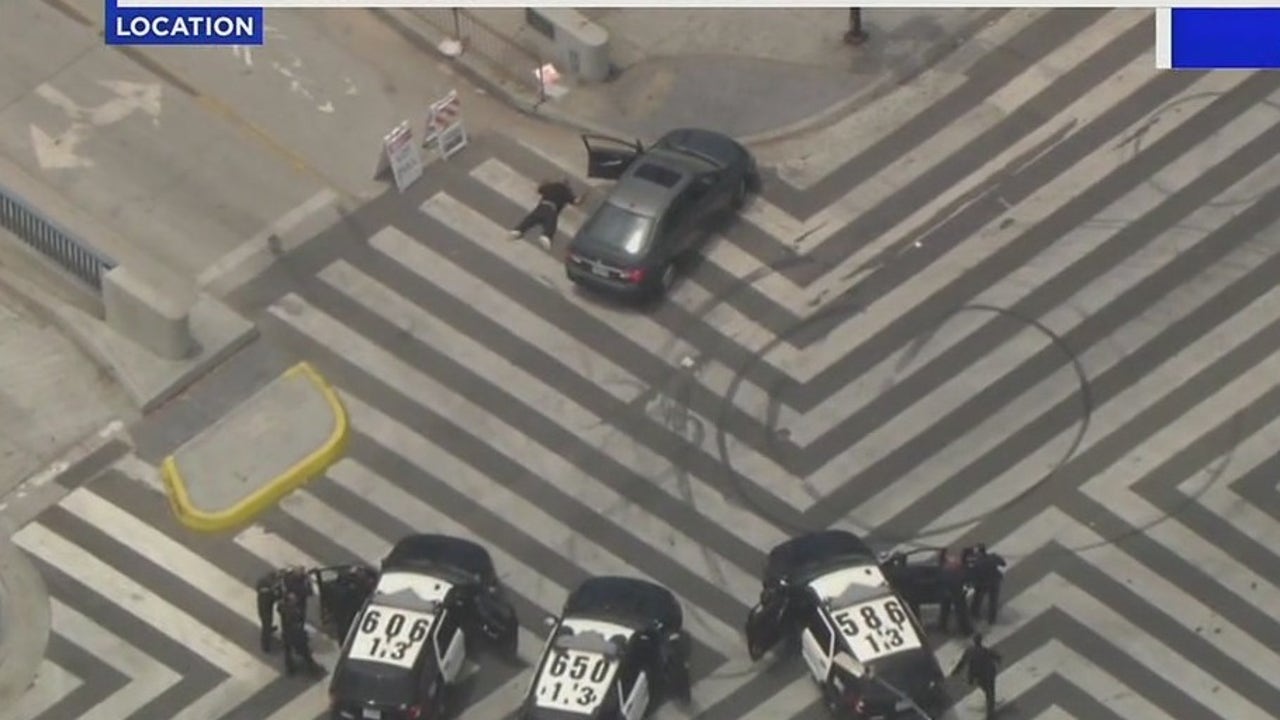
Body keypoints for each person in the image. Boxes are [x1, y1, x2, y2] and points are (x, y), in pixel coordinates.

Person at [509, 176, 582, 250]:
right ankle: (546, 236)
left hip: (542, 206)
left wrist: (544, 183)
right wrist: (583, 197)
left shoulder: (550, 186)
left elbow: (539, 189)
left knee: (530, 220)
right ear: (567, 186)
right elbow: (576, 201)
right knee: (551, 225)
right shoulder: (566, 192)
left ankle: (518, 231)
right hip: (551, 209)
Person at [951, 633, 1002, 718]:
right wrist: (998, 661)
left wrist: (955, 672)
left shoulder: (969, 651)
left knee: (987, 691)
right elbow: (997, 656)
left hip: (978, 676)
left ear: (973, 641)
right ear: (980, 641)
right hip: (989, 674)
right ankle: (990, 712)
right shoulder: (985, 650)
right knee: (990, 693)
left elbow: (962, 663)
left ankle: (990, 709)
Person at [280, 591, 325, 677]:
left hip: (287, 633)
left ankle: (290, 668)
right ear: (289, 601)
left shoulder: (283, 607)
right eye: (293, 599)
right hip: (296, 635)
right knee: (305, 653)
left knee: (288, 651)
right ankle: (314, 670)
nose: (296, 599)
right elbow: (297, 623)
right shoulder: (292, 611)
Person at [936, 549, 973, 635]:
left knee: (945, 610)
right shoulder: (960, 568)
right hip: (956, 591)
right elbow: (966, 581)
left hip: (946, 591)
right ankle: (965, 629)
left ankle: (942, 626)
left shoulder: (944, 566)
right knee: (961, 611)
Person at [969, 544, 1008, 624]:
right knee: (993, 601)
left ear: (979, 553)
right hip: (995, 581)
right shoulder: (993, 557)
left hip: (983, 583)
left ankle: (974, 612)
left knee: (978, 597)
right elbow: (1003, 564)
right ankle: (992, 619)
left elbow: (974, 574)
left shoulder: (977, 563)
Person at [255, 570, 284, 652]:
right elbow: (274, 597)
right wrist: (276, 593)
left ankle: (270, 629)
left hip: (267, 607)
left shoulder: (265, 581)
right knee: (266, 626)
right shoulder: (267, 590)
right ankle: (265, 646)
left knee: (269, 621)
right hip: (264, 609)